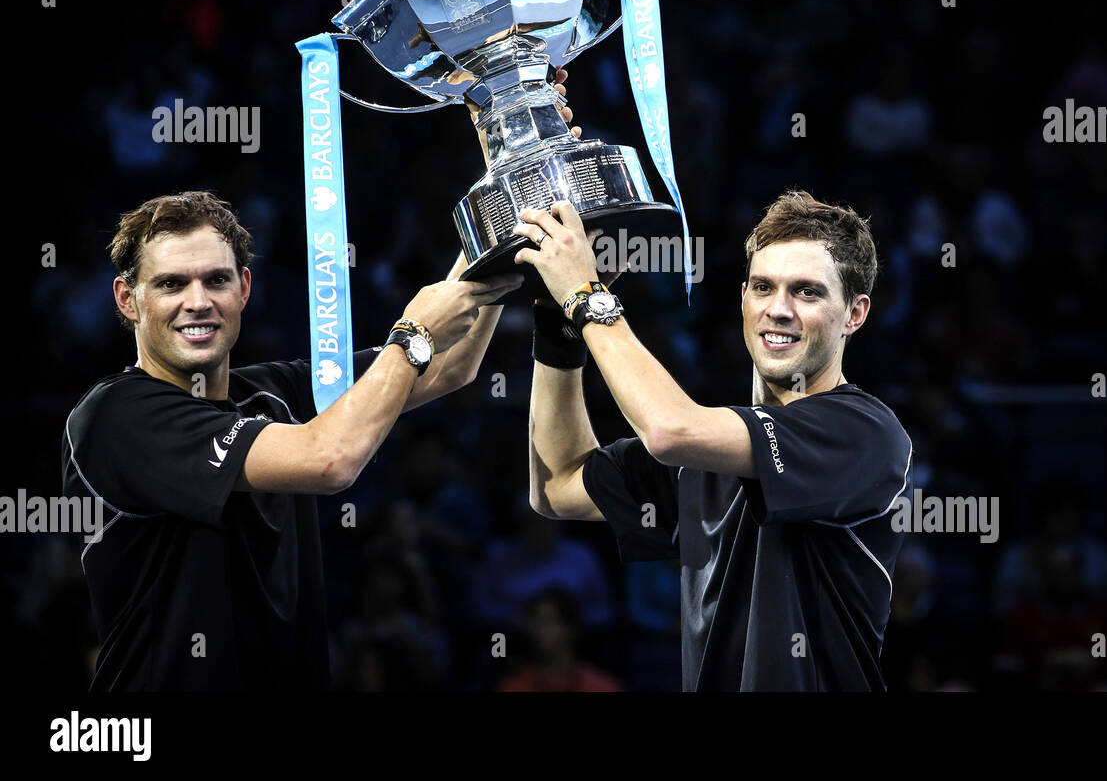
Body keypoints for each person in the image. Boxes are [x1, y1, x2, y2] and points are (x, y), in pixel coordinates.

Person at [61, 190, 519, 689]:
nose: (198, 302)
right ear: (128, 299)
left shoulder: (277, 391)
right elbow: (330, 459)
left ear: (244, 288)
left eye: (217, 280)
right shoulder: (116, 415)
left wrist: (499, 214)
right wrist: (412, 335)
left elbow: (448, 365)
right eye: (171, 284)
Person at [518, 189, 913, 690]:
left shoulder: (865, 431)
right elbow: (558, 487)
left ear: (855, 314)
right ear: (742, 298)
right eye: (763, 287)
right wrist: (559, 328)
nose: (779, 309)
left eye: (807, 292)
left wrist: (586, 297)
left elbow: (667, 429)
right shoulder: (707, 446)